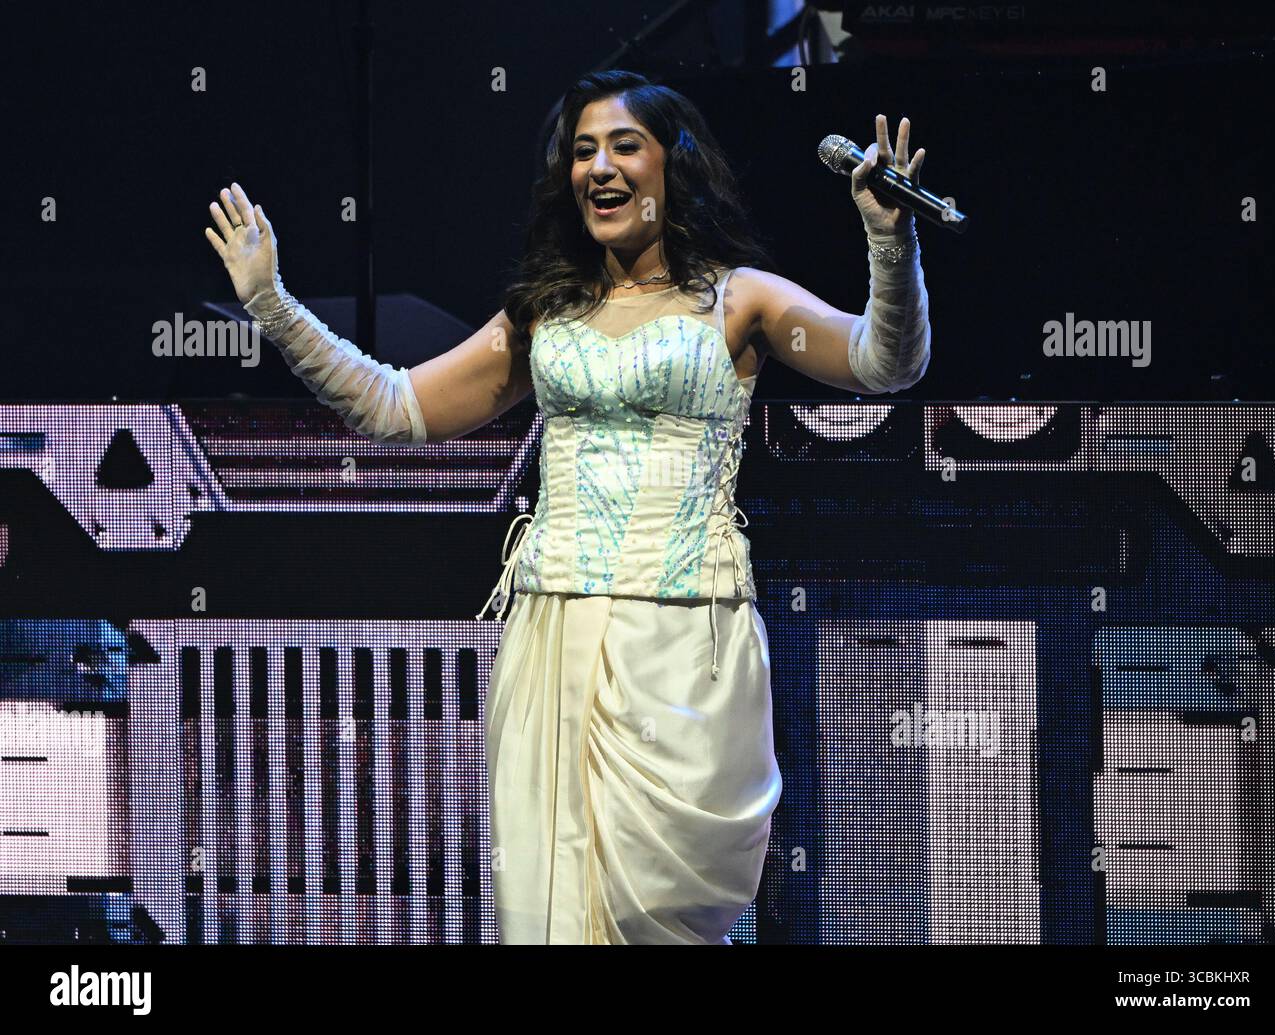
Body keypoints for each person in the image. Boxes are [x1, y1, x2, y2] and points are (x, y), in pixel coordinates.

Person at [205, 69, 931, 945]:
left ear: (674, 167)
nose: (600, 167)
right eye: (583, 150)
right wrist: (272, 306)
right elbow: (392, 406)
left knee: (657, 910)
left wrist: (891, 246)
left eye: (625, 145)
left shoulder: (741, 299)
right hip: (553, 639)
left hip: (685, 647)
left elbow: (884, 363)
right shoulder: (545, 315)